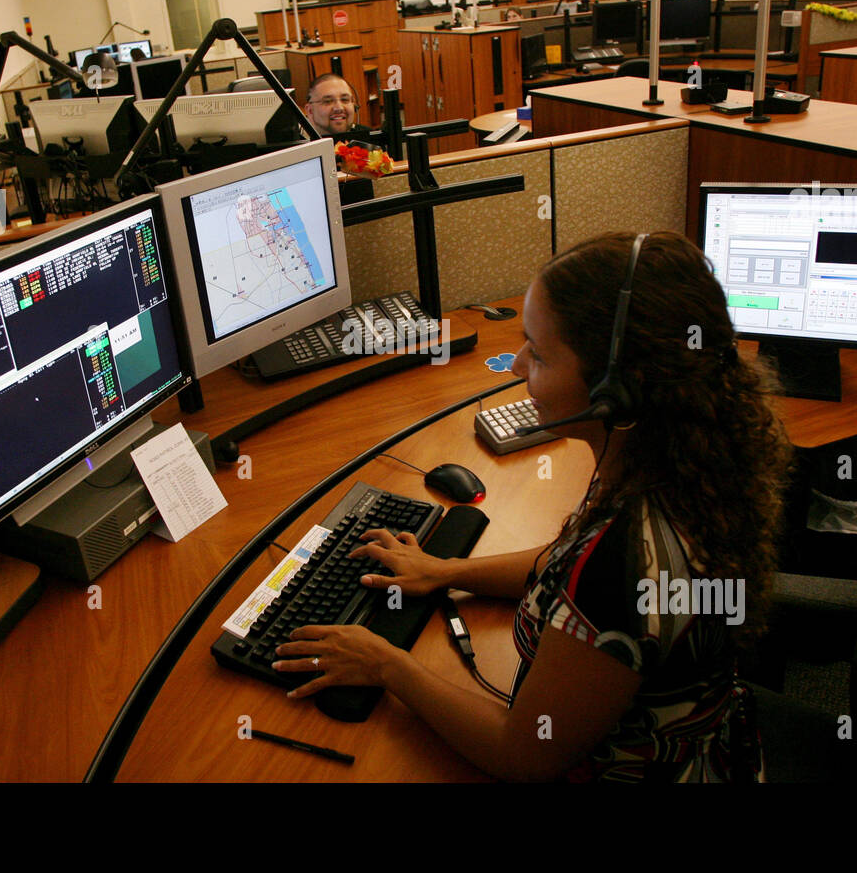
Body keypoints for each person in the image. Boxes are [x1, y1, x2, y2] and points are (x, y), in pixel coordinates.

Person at [273, 231, 794, 782]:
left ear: (615, 390)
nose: (518, 365)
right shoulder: (676, 463)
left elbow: (523, 754)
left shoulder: (623, 563)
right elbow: (562, 560)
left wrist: (386, 664)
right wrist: (446, 570)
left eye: (540, 354)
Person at [303, 73, 368, 137]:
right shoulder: (298, 146)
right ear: (310, 111)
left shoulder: (369, 139)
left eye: (345, 99)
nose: (339, 108)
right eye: (328, 101)